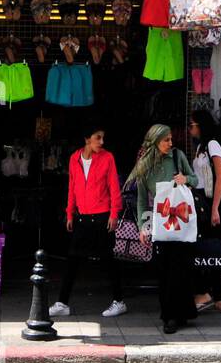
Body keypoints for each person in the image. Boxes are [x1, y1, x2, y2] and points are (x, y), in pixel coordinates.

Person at [49, 123, 127, 320]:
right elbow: (72, 187)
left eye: (102, 138)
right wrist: (69, 213)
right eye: (98, 137)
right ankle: (62, 302)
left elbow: (114, 187)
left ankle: (119, 301)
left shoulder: (107, 158)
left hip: (102, 216)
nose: (102, 142)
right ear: (87, 139)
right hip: (82, 217)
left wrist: (114, 214)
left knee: (109, 259)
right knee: (73, 260)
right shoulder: (74, 159)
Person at [130, 124, 198, 334]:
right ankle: (169, 316)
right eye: (166, 140)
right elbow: (142, 200)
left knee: (181, 270)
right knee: (165, 273)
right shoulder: (144, 166)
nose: (170, 143)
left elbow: (195, 180)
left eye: (171, 139)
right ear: (155, 142)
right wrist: (143, 226)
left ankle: (182, 313)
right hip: (161, 224)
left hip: (182, 222)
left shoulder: (178, 157)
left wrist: (185, 179)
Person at [188, 110, 221, 314]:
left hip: (211, 201)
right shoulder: (201, 147)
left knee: (207, 247)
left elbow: (220, 176)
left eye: (193, 124)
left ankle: (207, 293)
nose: (190, 128)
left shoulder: (213, 144)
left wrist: (215, 208)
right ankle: (219, 297)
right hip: (202, 200)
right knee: (210, 247)